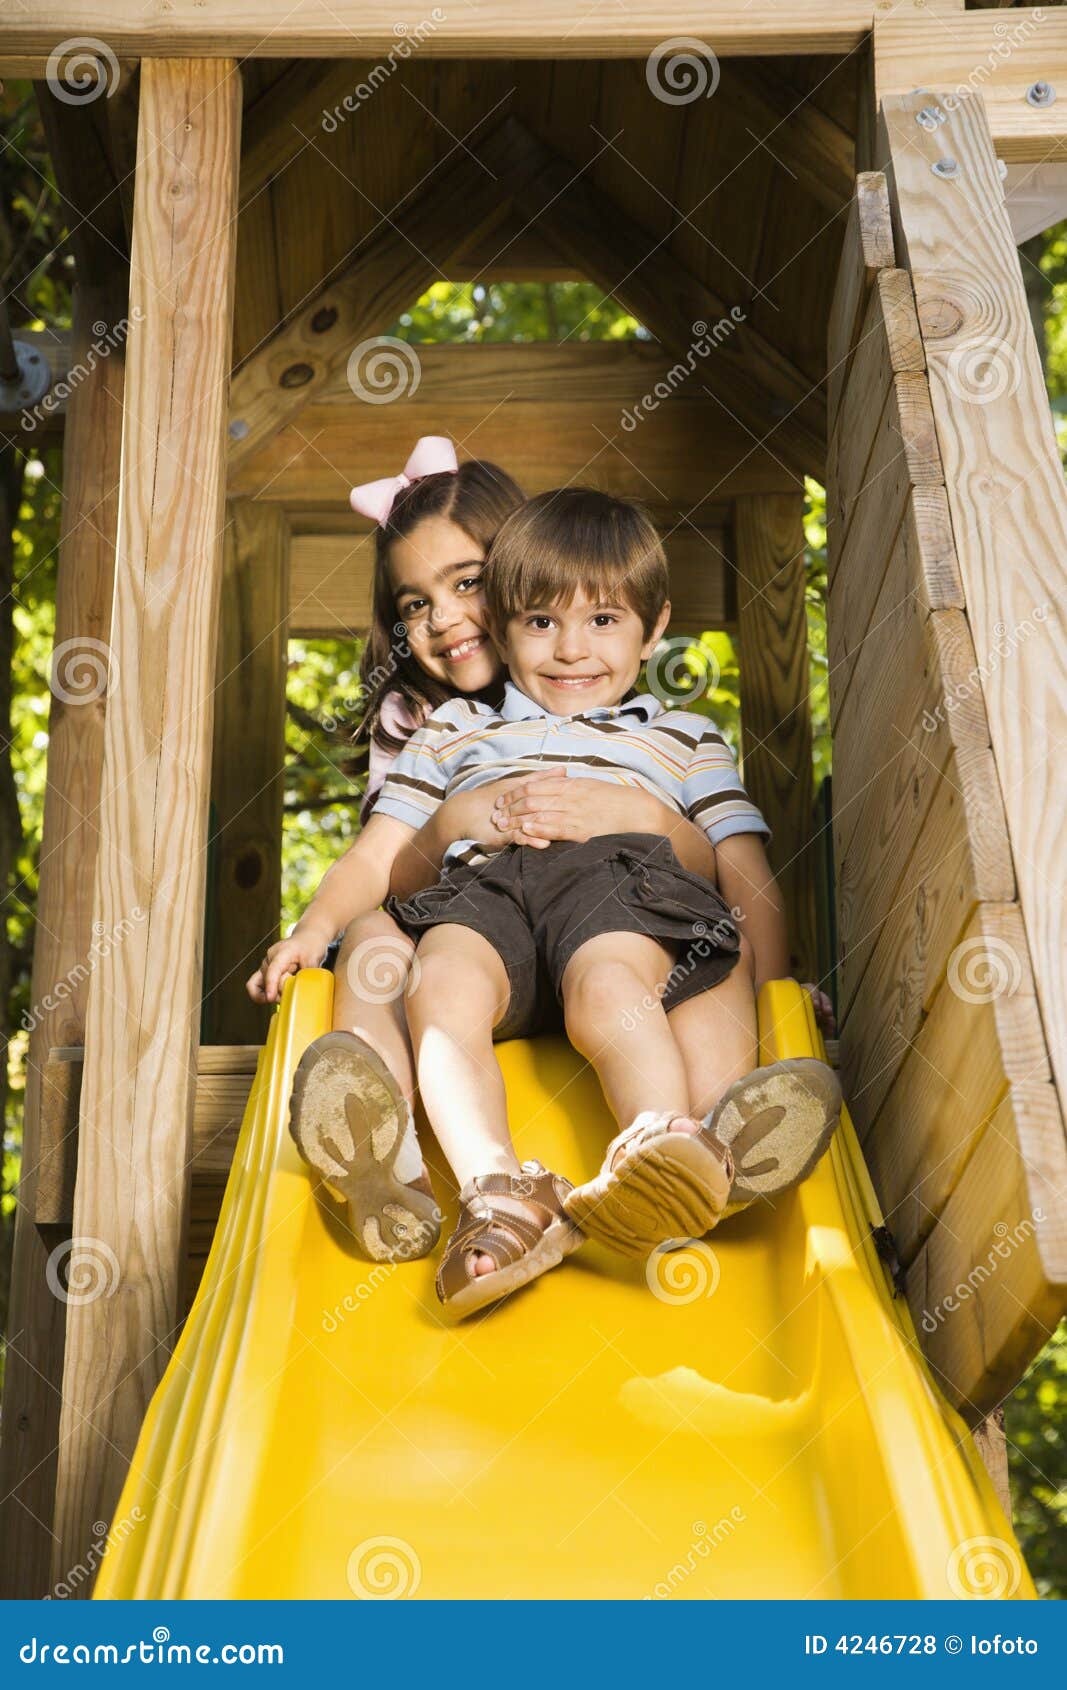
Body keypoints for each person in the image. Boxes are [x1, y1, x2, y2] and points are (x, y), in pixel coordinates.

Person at [246, 444, 726, 1263]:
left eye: (466, 583)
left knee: (633, 960)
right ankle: (378, 1144)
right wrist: (439, 833)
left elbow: (715, 859)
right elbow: (386, 865)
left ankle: (699, 1133)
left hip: (595, 923)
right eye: (414, 603)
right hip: (459, 913)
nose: (442, 618)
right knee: (370, 939)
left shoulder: (643, 728)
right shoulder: (425, 724)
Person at [373, 487, 841, 1317]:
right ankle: (497, 1193)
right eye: (540, 622)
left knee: (608, 989)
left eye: (603, 621)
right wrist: (456, 821)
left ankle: (664, 1150)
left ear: (653, 628)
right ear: (504, 627)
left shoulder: (682, 736)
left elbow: (742, 867)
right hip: (489, 890)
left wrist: (776, 997)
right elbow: (398, 868)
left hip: (619, 887)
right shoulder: (453, 733)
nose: (569, 650)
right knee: (438, 989)